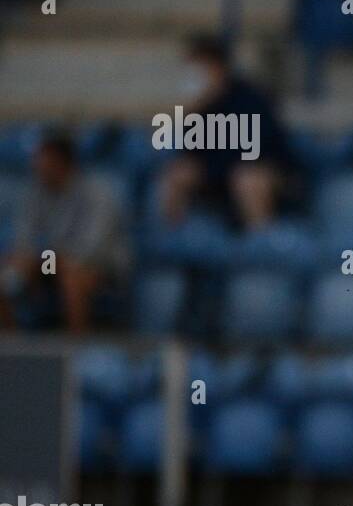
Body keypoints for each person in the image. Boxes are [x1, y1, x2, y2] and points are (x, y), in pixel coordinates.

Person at [158, 34, 301, 231]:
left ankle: (263, 249)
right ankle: (175, 244)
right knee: (178, 173)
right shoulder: (200, 106)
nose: (193, 77)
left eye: (199, 69)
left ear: (217, 68)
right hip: (218, 174)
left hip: (266, 174)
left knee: (247, 179)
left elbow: (254, 151)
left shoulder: (251, 98)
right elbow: (190, 154)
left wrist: (210, 167)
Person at [0, 130, 130, 332]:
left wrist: (52, 259)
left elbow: (93, 249)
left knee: (71, 279)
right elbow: (24, 239)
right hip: (49, 263)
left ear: (61, 161)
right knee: (8, 274)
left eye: (43, 158)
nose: (37, 164)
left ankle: (75, 354)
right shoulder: (35, 191)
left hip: (100, 267)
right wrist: (28, 258)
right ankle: (14, 348)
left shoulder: (97, 193)